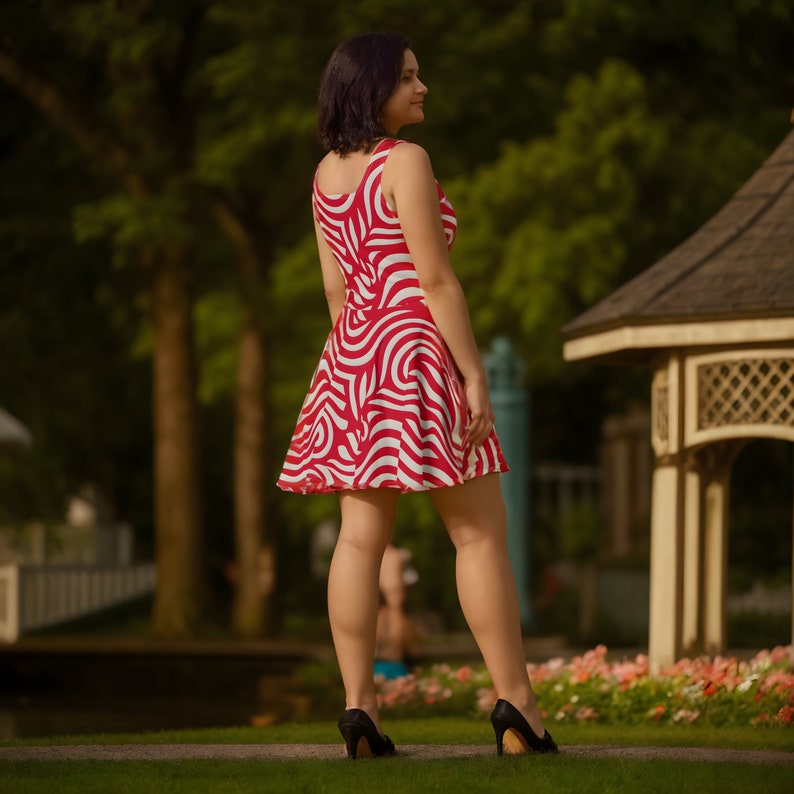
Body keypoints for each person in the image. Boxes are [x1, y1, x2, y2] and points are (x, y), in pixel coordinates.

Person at [277, 32, 556, 759]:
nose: (422, 86)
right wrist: (472, 375)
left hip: (352, 353)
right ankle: (518, 707)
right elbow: (434, 280)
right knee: (477, 534)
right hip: (415, 346)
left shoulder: (324, 175)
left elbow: (336, 292)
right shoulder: (406, 160)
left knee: (358, 539)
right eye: (407, 77)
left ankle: (359, 710)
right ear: (372, 88)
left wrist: (353, 371)